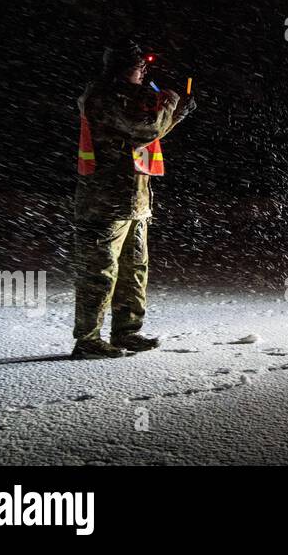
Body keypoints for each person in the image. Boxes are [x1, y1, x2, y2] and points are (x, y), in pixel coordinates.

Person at [71, 37, 195, 359]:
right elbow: (144, 130)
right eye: (140, 67)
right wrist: (171, 106)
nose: (144, 73)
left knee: (133, 269)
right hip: (104, 202)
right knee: (99, 271)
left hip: (134, 201)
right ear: (124, 68)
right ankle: (87, 340)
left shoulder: (127, 96)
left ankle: (126, 332)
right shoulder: (101, 97)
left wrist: (174, 111)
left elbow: (148, 130)